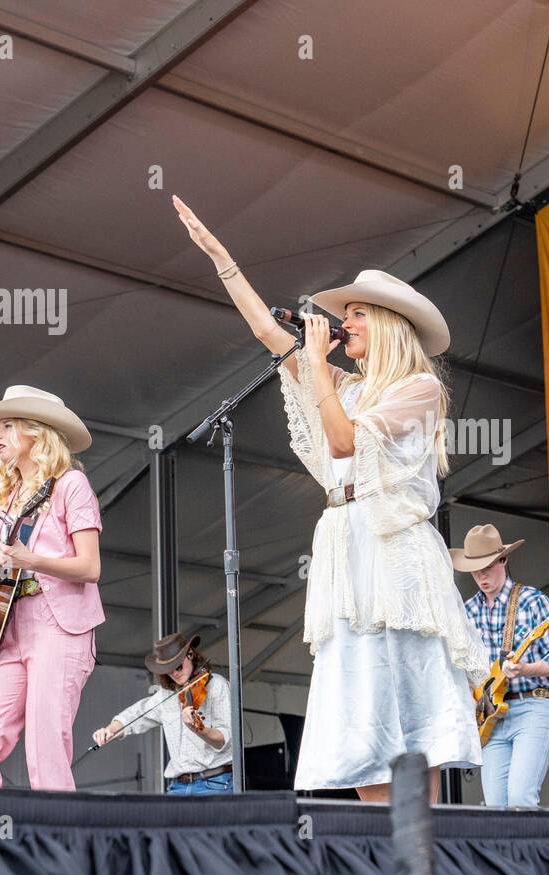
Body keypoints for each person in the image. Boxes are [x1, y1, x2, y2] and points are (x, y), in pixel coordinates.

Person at [173, 195, 484, 803]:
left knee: (403, 705)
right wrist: (223, 261)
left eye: (360, 314)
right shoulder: (344, 383)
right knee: (359, 712)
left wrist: (316, 362)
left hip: (393, 554)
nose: (347, 323)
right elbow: (269, 332)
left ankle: (418, 851)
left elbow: (342, 441)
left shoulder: (417, 388)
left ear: (390, 325)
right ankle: (383, 852)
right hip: (346, 547)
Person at [0, 385, 103, 791]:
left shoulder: (70, 485)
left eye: (7, 425)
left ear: (36, 433)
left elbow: (90, 567)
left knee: (46, 751)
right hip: (8, 629)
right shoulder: (9, 496)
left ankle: (58, 847)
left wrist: (31, 560)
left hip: (61, 627)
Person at [452, 525, 549, 807]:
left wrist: (527, 669)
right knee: (495, 808)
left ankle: (533, 853)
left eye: (487, 566)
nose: (481, 576)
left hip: (533, 707)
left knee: (521, 799)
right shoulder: (468, 612)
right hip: (490, 718)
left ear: (503, 560)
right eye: (475, 569)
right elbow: (461, 666)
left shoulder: (532, 602)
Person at [93, 633, 234, 795]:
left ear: (190, 655)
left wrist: (200, 730)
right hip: (178, 786)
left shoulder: (217, 685)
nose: (174, 673)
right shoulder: (167, 695)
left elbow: (224, 740)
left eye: (178, 666)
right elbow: (138, 714)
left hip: (215, 782)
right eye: (168, 670)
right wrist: (111, 729)